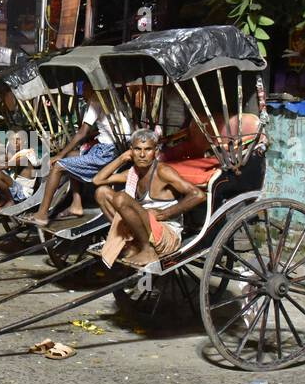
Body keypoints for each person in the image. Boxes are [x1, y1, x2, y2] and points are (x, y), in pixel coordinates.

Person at [93, 128, 205, 267]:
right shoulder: (133, 173)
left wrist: (164, 214)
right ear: (131, 151)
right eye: (137, 149)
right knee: (101, 192)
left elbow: (198, 195)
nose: (142, 154)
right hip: (144, 227)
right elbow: (97, 181)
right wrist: (121, 158)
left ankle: (148, 250)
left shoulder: (163, 172)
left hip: (166, 234)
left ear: (156, 151)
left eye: (148, 149)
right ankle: (133, 242)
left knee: (121, 198)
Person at [30, 85, 130, 226]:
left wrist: (60, 154)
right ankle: (76, 204)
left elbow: (82, 132)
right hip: (115, 147)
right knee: (71, 156)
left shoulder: (96, 99)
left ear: (93, 87)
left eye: (85, 89)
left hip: (105, 152)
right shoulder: (112, 97)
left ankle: (42, 214)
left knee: (58, 166)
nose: (82, 94)